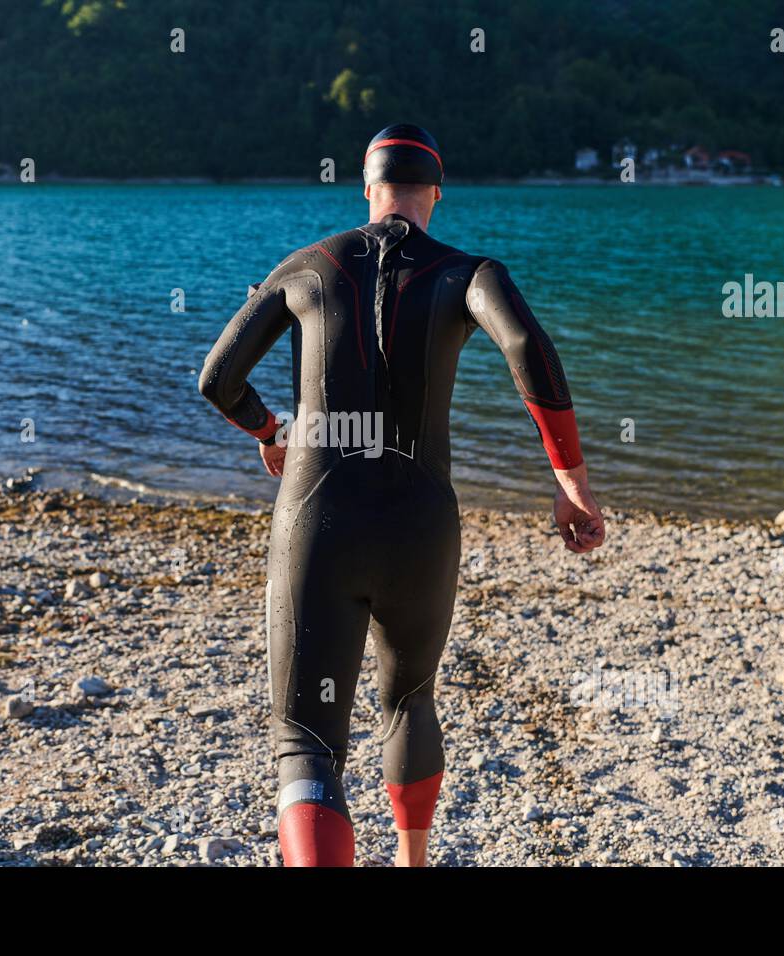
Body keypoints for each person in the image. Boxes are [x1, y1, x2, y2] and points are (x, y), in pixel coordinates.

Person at [198, 124, 605, 867]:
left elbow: (217, 380)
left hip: (317, 523)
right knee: (409, 700)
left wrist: (268, 431)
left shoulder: (307, 265)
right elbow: (526, 347)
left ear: (367, 188)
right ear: (435, 196)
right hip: (421, 527)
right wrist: (570, 485)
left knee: (307, 745)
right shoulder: (468, 272)